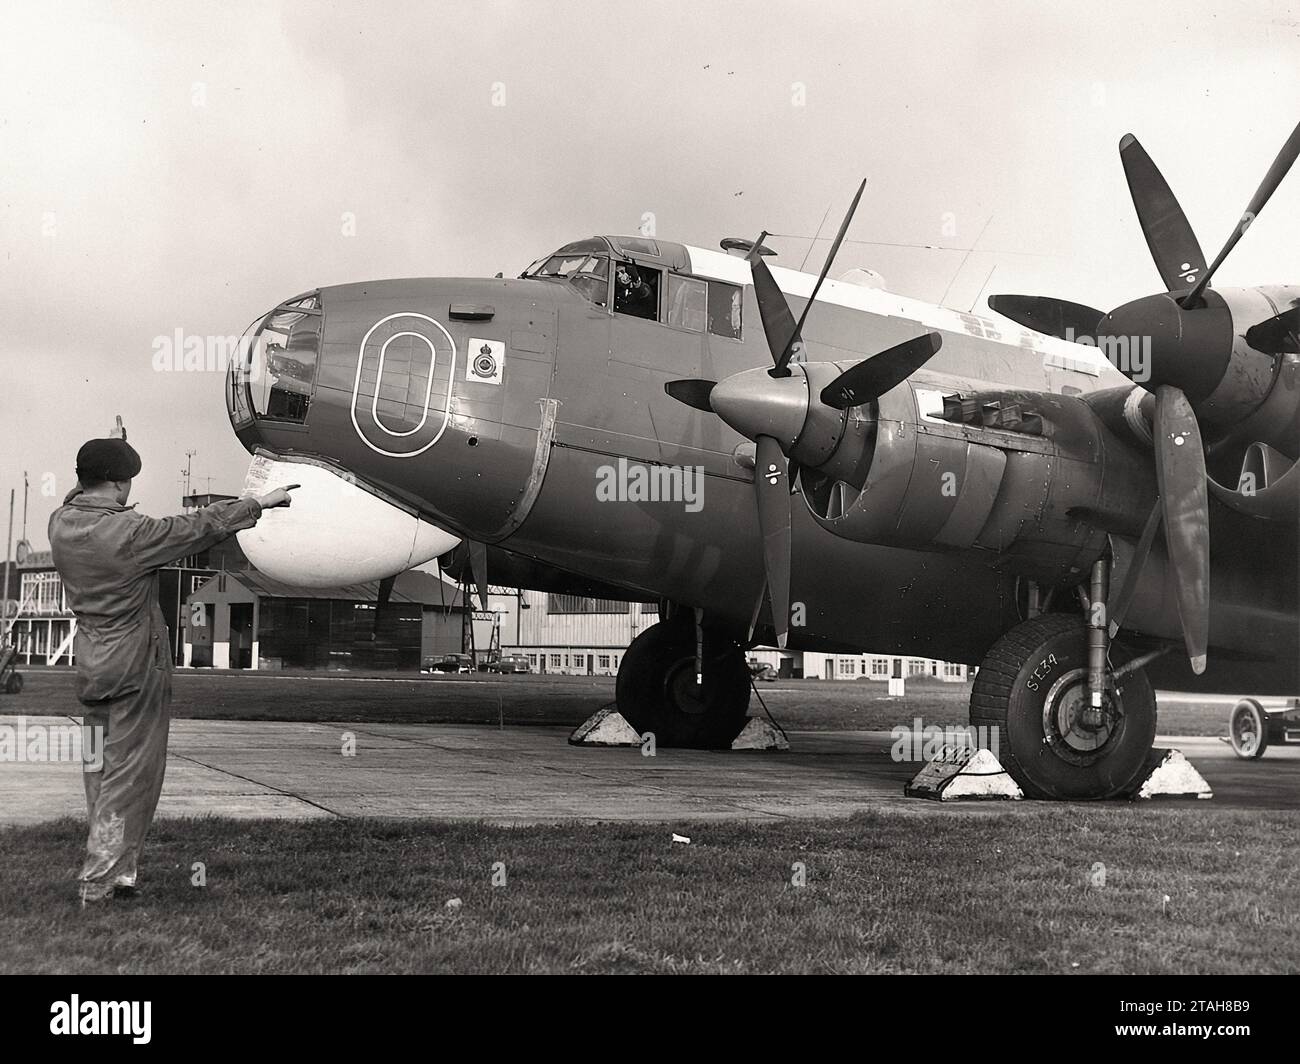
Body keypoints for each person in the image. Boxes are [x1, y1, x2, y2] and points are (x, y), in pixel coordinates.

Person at [49, 424, 295, 906]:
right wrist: (260, 503)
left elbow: (82, 495)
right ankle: (99, 882)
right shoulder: (130, 533)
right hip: (136, 666)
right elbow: (197, 527)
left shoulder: (60, 522)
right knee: (131, 777)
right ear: (121, 484)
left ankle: (120, 874)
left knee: (99, 771)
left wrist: (106, 460)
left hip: (93, 664)